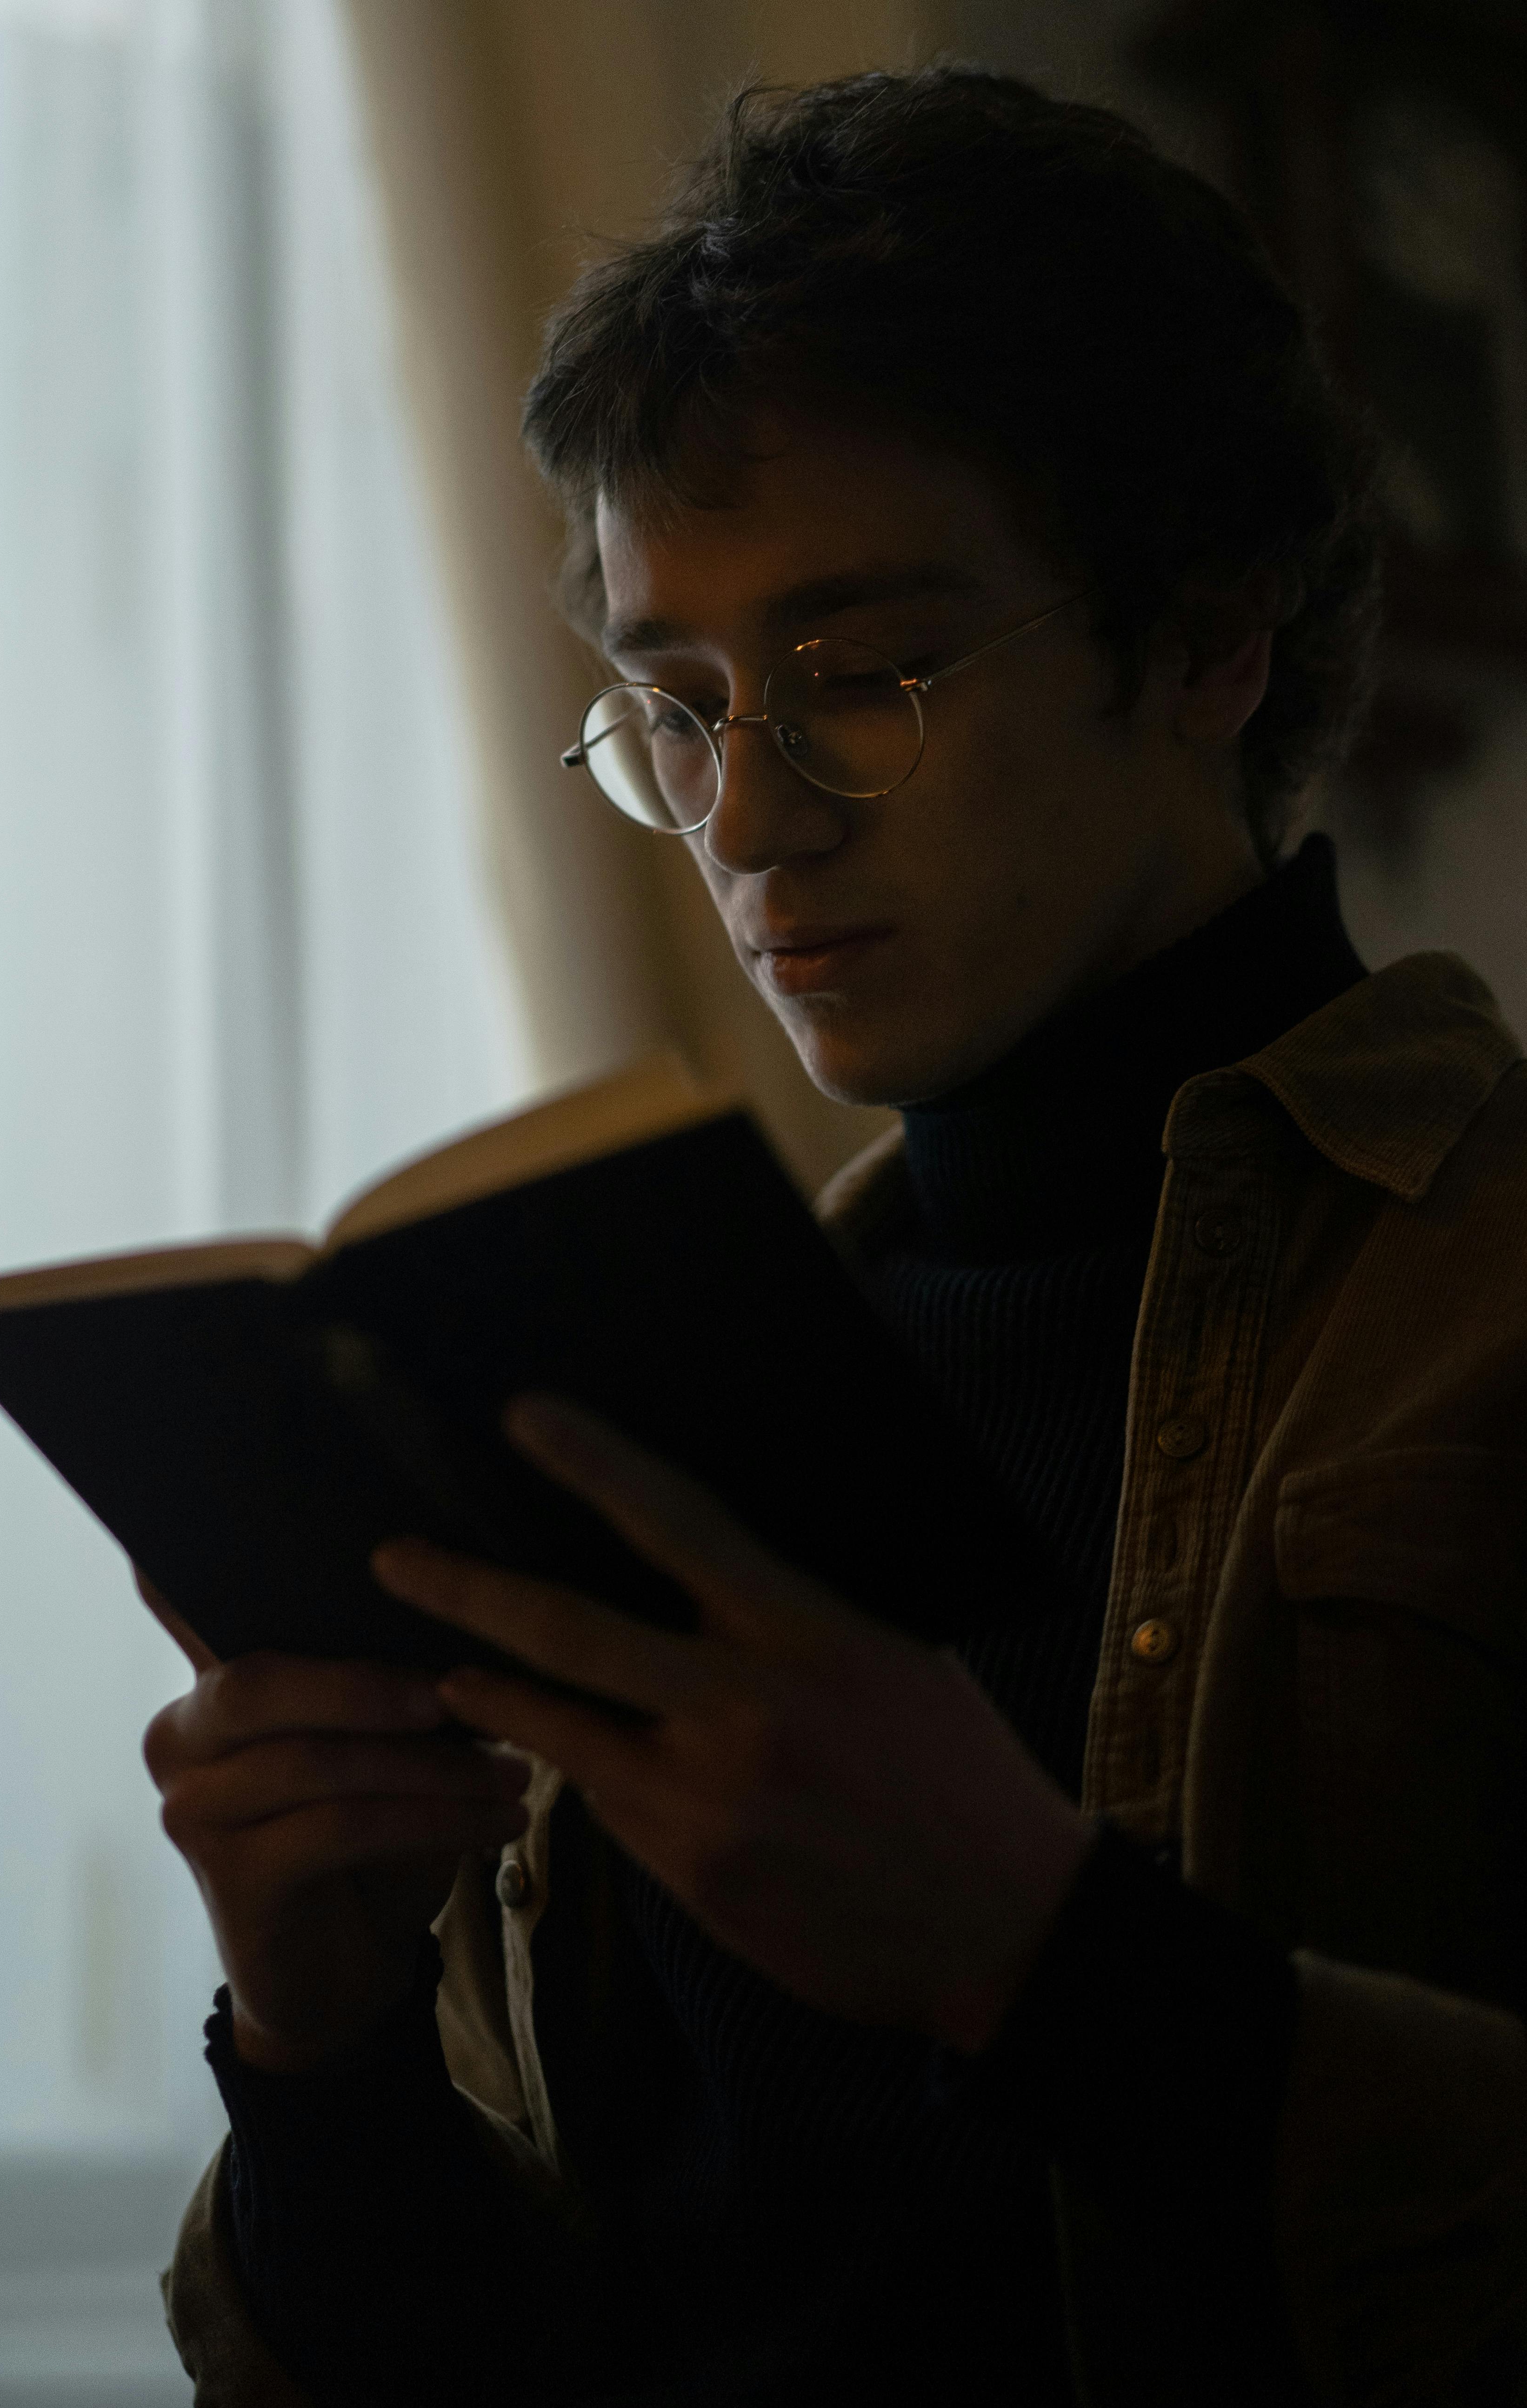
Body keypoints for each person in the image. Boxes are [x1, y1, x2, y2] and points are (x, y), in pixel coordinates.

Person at [151, 64, 1527, 2408]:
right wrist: (318, 2031)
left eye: (864, 673)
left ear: (1207, 636)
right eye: (671, 703)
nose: (747, 817)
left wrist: (1039, 1958)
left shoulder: (1471, 1306)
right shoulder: (663, 1389)